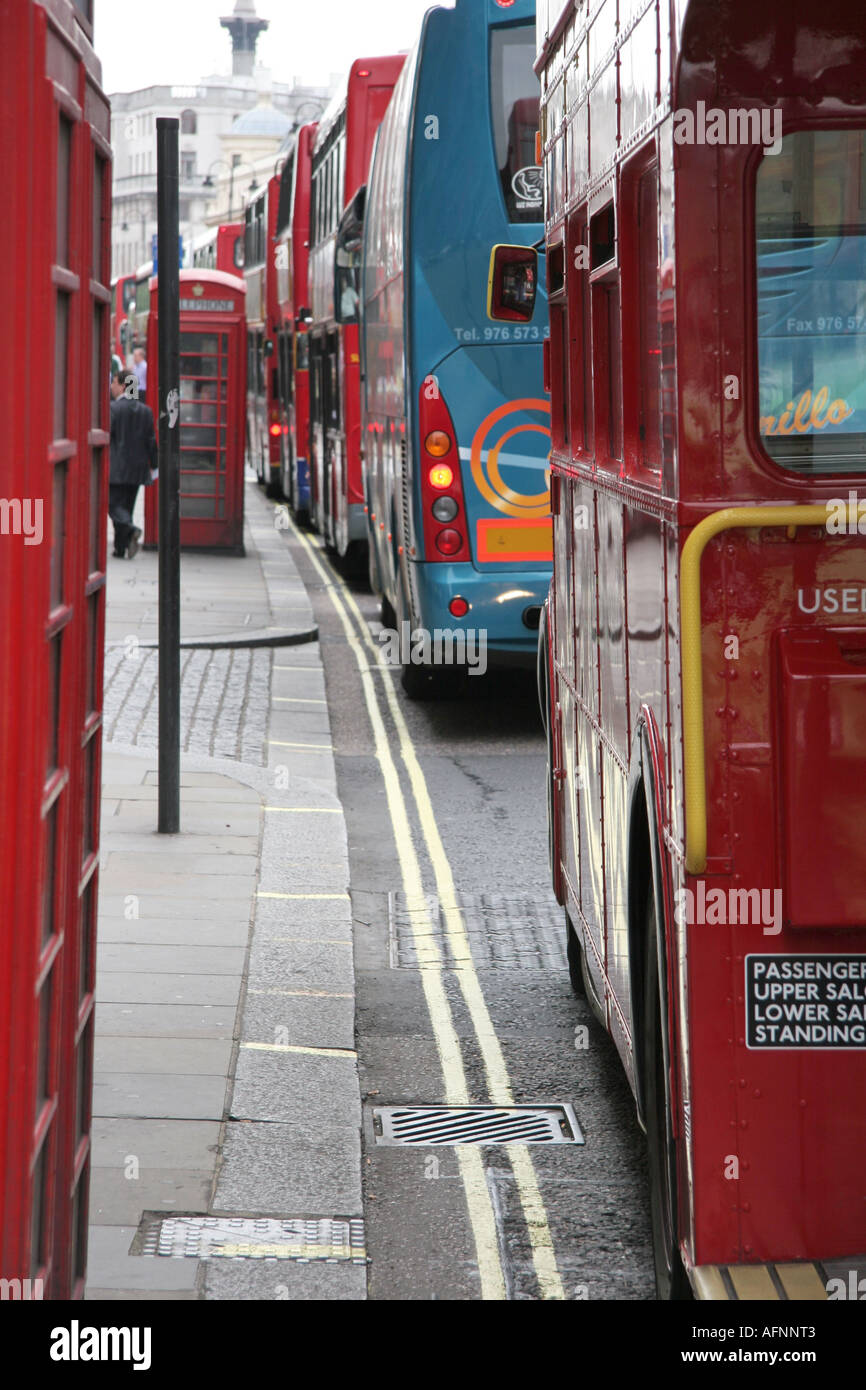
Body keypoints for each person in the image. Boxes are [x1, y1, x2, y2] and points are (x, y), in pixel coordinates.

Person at [109, 369, 158, 558]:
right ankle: (120, 549)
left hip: (116, 468)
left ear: (123, 386)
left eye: (114, 383)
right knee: (126, 508)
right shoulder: (146, 411)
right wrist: (154, 465)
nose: (112, 387)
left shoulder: (113, 409)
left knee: (112, 505)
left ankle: (130, 530)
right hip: (137, 469)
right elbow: (151, 441)